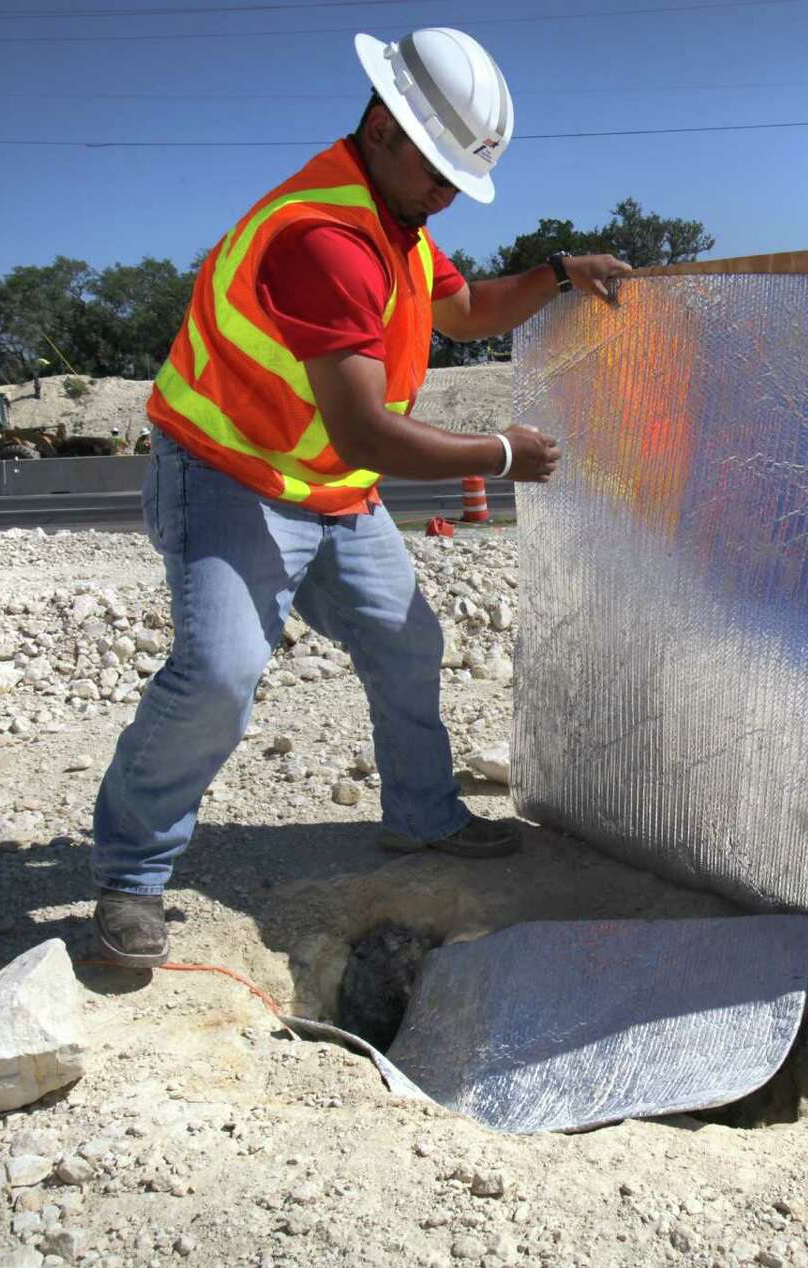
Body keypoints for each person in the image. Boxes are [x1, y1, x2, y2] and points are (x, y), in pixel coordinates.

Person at [90, 26, 630, 968]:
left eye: (459, 175)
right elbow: (367, 434)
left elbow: (465, 312)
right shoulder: (324, 238)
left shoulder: (400, 226)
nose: (446, 191)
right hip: (230, 474)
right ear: (382, 125)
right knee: (218, 673)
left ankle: (420, 819)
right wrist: (503, 453)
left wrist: (552, 275)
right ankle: (133, 874)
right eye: (435, 169)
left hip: (322, 486)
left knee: (406, 638)